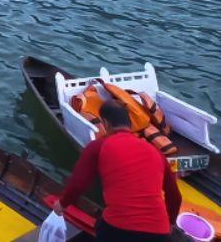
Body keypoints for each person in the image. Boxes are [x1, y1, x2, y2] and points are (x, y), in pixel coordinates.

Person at [55, 98, 182, 242]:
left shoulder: (98, 146)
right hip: (159, 233)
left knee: (101, 226)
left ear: (106, 124)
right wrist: (170, 223)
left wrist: (62, 204)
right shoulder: (156, 152)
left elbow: (78, 184)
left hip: (119, 230)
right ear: (130, 124)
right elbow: (175, 197)